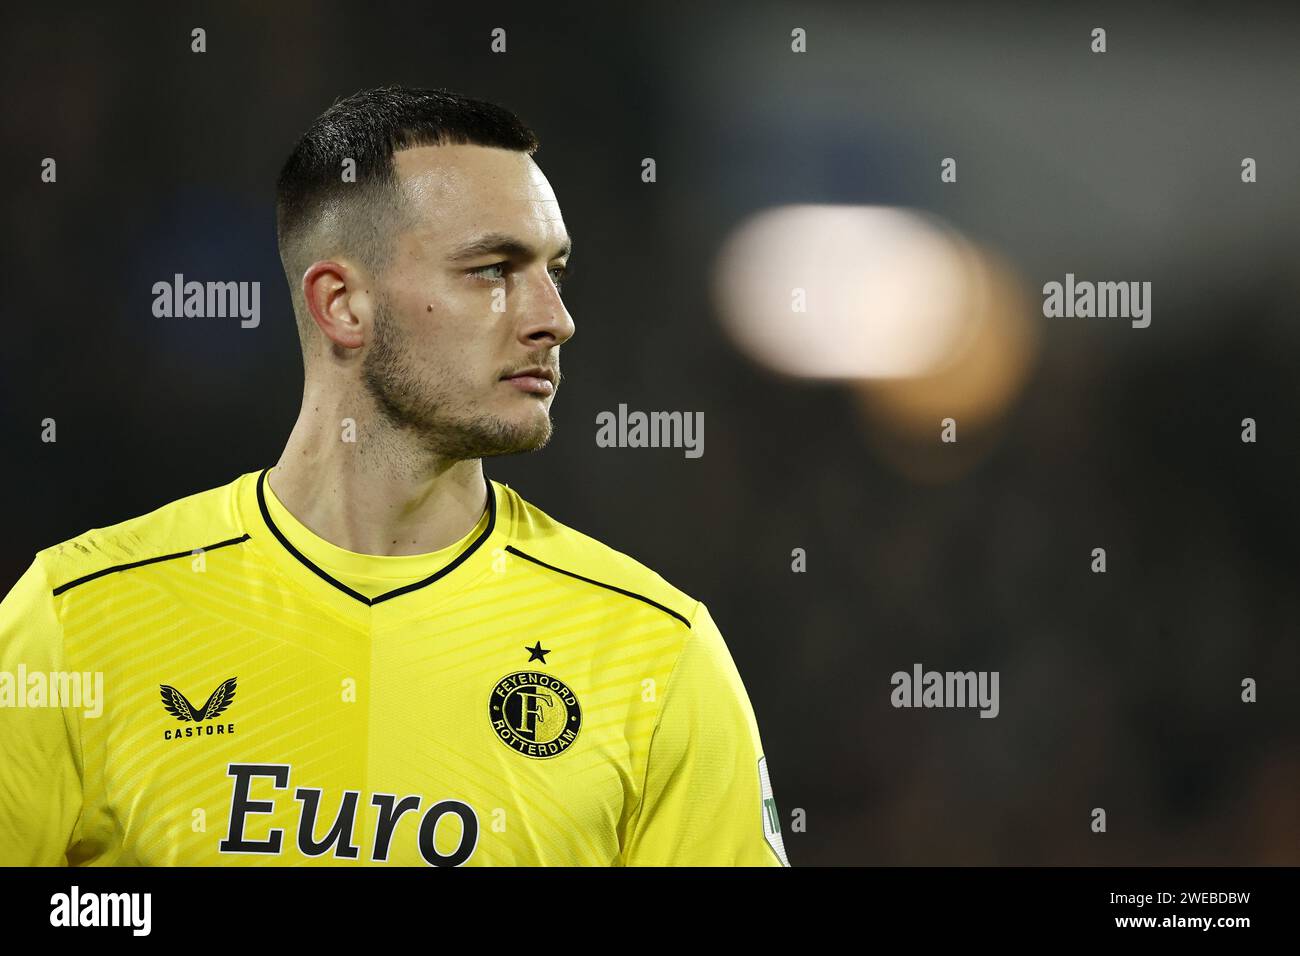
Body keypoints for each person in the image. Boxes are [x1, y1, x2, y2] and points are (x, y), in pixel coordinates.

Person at [0, 86, 788, 867]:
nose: (554, 317)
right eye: (491, 270)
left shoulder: (653, 655)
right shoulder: (76, 622)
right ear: (342, 304)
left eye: (555, 270)